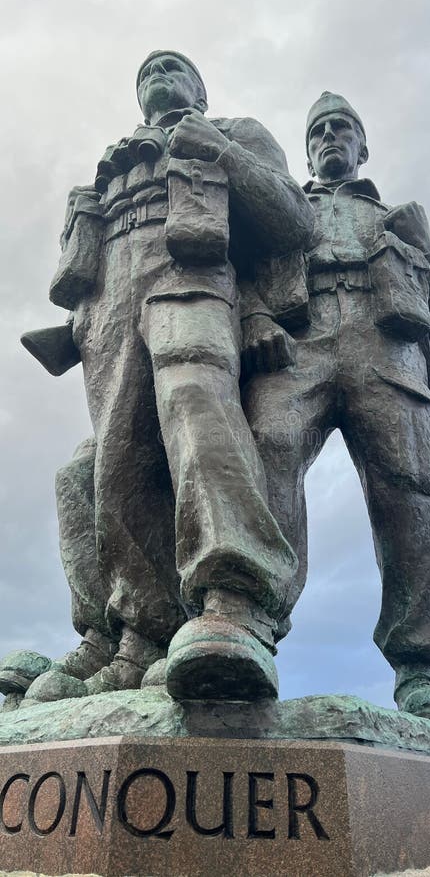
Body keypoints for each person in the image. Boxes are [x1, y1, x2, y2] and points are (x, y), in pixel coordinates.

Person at [0, 51, 314, 705]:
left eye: (171, 67)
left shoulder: (235, 131)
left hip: (191, 282)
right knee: (116, 461)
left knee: (198, 407)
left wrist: (220, 152)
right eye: (145, 71)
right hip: (109, 306)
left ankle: (235, 600)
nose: (157, 76)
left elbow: (292, 219)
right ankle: (144, 632)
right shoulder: (116, 155)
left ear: (199, 86)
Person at [243, 91, 430, 730]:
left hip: (389, 345)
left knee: (412, 494)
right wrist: (258, 318)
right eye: (319, 131)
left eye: (342, 129)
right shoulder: (286, 205)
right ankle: (251, 625)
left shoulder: (396, 215)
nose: (330, 138)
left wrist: (428, 251)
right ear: (308, 145)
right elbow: (250, 279)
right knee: (265, 453)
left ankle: (422, 668)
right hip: (301, 338)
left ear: (362, 145)